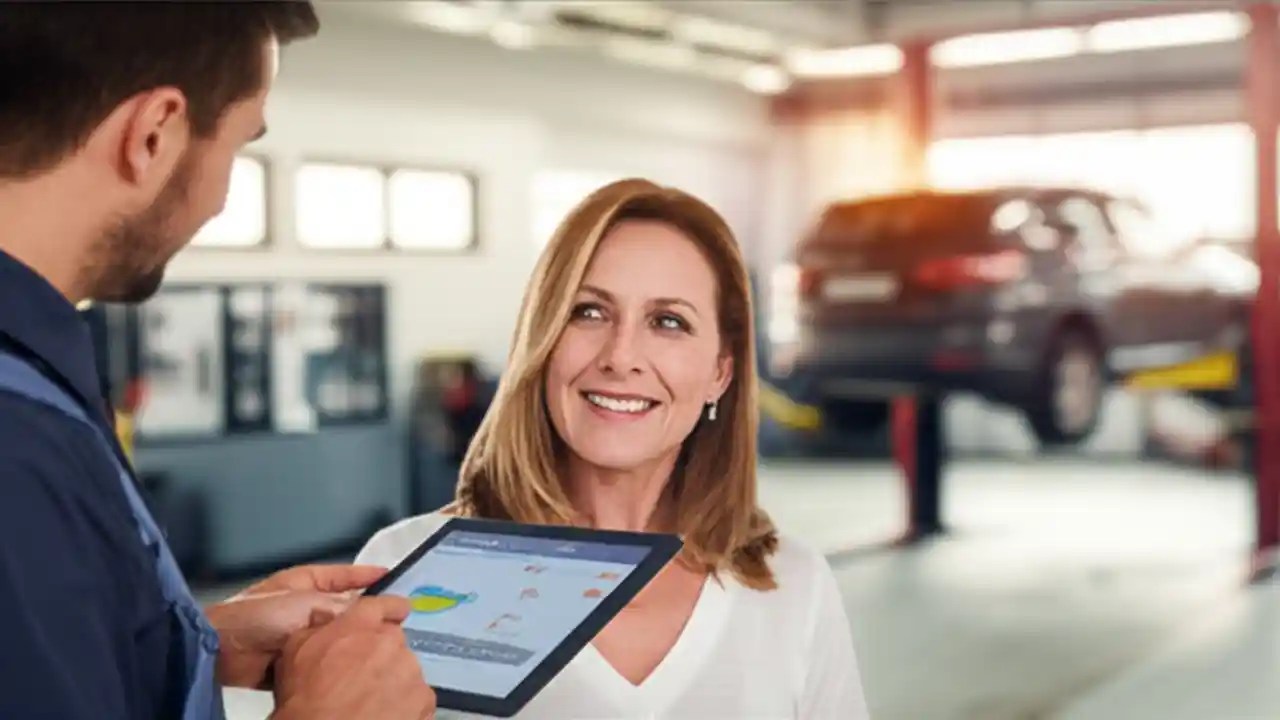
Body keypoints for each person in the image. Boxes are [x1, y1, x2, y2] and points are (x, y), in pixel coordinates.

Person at [0, 4, 434, 719]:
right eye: (238, 145)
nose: (220, 202)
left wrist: (187, 639)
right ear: (153, 134)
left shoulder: (32, 380)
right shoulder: (19, 445)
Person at [358, 179, 871, 718]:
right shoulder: (403, 569)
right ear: (542, 339)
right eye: (589, 312)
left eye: (668, 322)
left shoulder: (793, 584)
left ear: (720, 373)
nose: (620, 356)